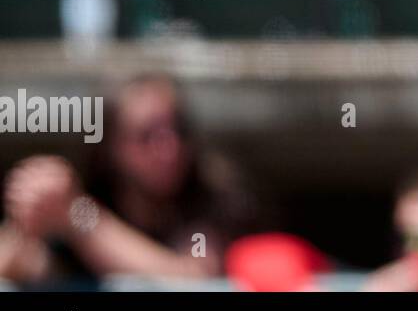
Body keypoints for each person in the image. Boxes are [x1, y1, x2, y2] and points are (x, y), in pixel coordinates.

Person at [0, 74, 257, 286]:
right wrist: (29, 221)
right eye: (147, 135)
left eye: (177, 129)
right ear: (111, 148)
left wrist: (76, 216)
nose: (170, 148)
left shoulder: (209, 199)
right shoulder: (89, 195)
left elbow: (195, 277)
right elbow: (20, 263)